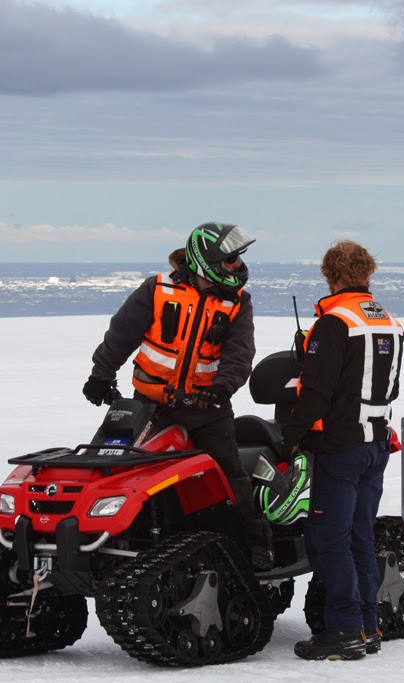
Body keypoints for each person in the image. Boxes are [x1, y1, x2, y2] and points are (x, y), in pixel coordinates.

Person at [81, 222, 275, 571]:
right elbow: (121, 333)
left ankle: (257, 546)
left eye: (237, 259)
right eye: (230, 260)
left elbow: (239, 352)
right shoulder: (156, 289)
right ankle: (93, 539)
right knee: (108, 464)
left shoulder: (237, 304)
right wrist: (101, 375)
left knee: (228, 474)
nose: (237, 266)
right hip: (149, 405)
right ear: (205, 260)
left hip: (205, 408)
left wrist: (221, 388)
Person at [280, 240, 404, 661]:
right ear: (367, 273)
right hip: (376, 443)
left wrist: (291, 435)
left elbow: (316, 393)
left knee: (329, 539)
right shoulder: (389, 322)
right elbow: (389, 386)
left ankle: (344, 631)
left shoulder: (334, 323)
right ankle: (368, 626)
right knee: (359, 537)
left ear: (330, 274)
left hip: (339, 448)